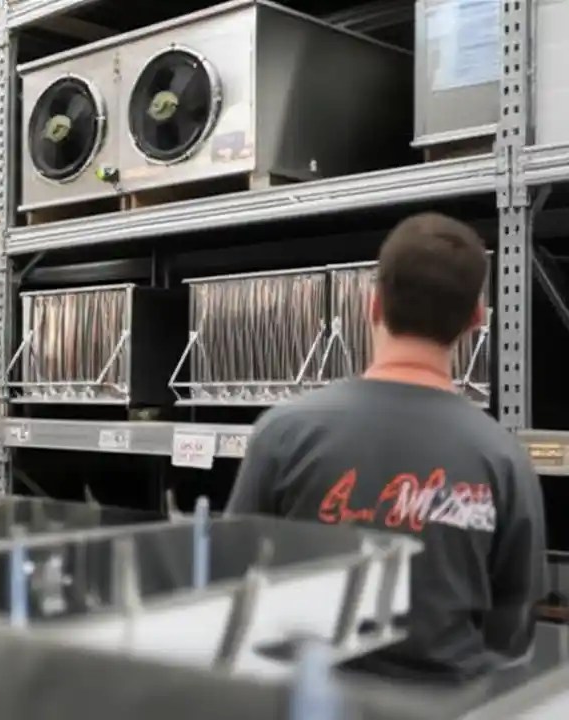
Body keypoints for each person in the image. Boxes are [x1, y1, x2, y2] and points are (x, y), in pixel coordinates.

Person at [227, 212, 546, 682]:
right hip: (447, 709)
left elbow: (233, 586)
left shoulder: (283, 432)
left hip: (306, 702)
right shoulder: (503, 458)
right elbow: (513, 630)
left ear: (373, 305)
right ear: (477, 319)